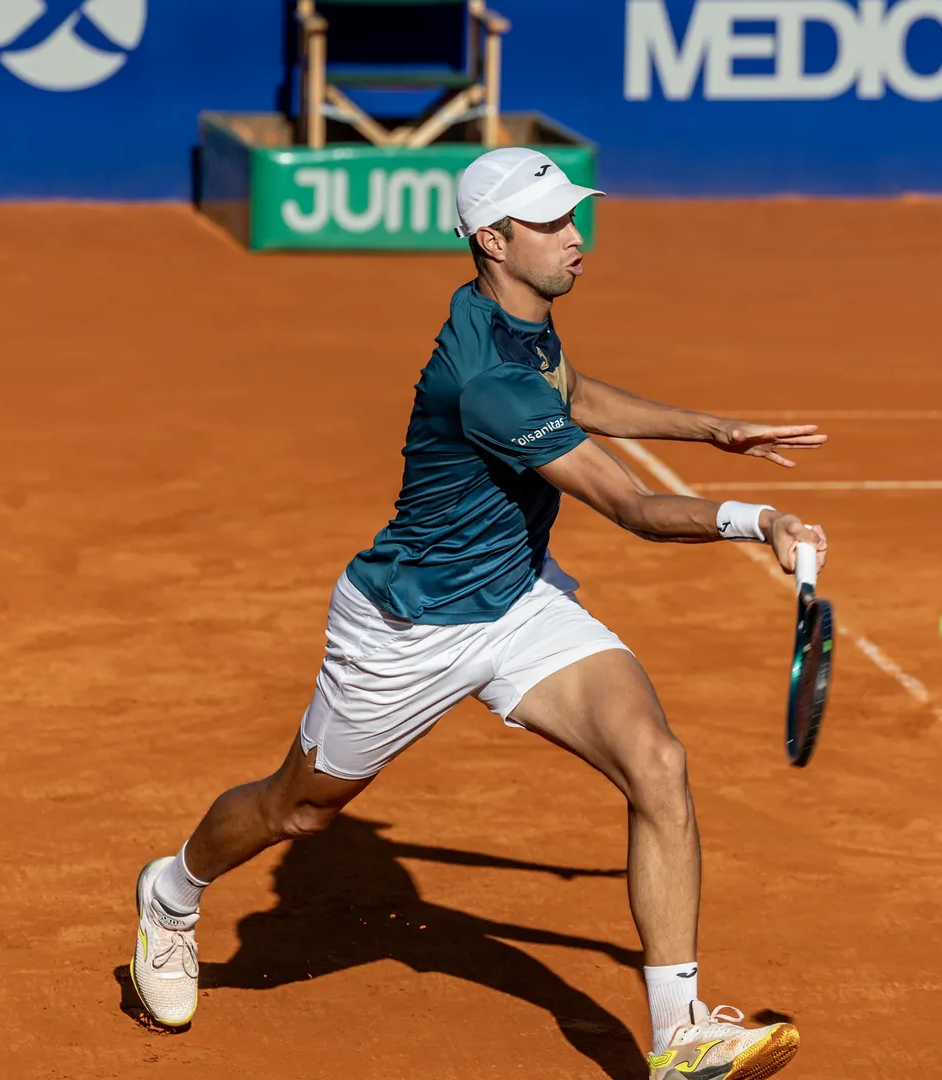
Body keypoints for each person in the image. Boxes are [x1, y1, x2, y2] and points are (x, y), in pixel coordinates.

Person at [130, 147, 827, 1080]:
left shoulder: (519, 320)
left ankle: (679, 1033)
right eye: (551, 225)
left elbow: (573, 393)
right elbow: (630, 511)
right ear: (493, 240)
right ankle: (172, 894)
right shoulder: (487, 381)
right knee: (296, 811)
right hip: (408, 629)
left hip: (518, 602)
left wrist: (710, 429)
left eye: (574, 217)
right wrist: (755, 520)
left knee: (657, 762)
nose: (576, 238)